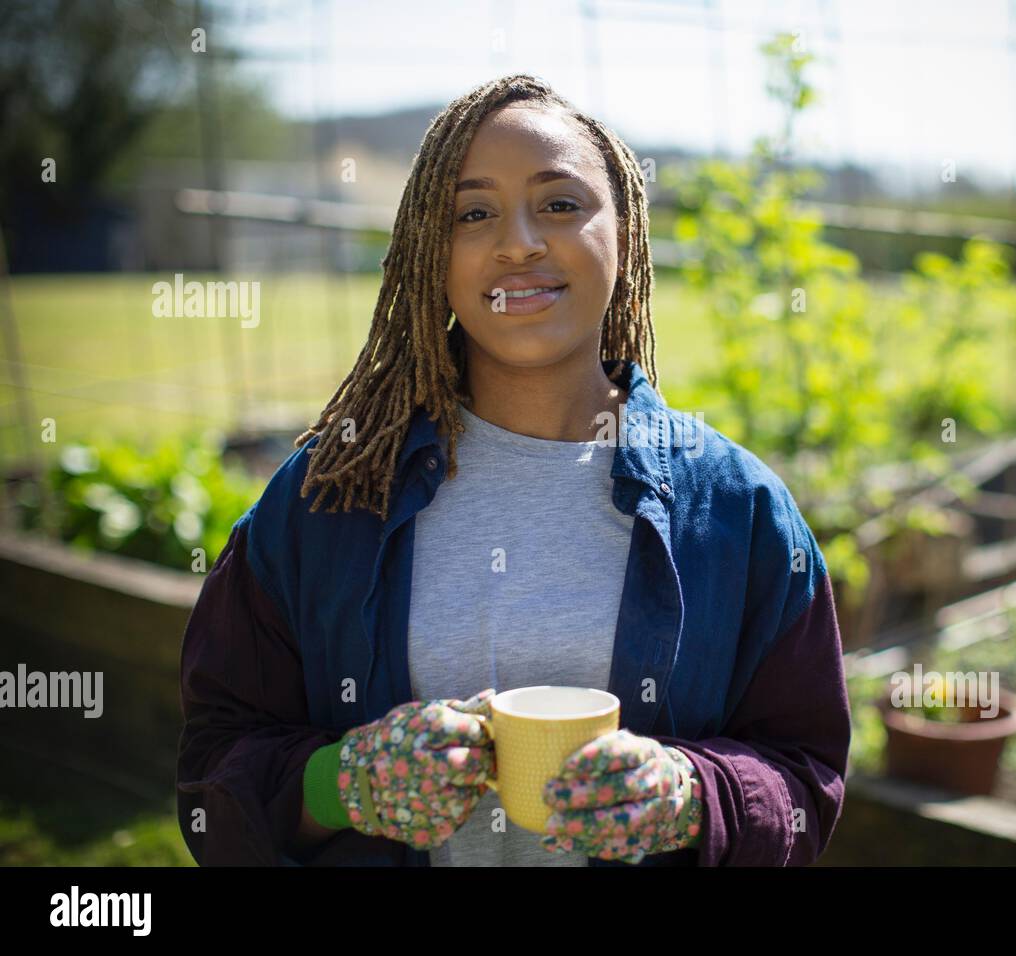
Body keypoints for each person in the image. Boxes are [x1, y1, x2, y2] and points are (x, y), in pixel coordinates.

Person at [176, 74, 851, 867]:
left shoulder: (740, 513)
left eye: (560, 204)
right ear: (435, 255)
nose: (519, 242)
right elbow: (211, 777)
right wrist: (342, 785)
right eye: (473, 213)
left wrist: (691, 797)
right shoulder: (327, 496)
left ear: (627, 232)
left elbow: (807, 781)